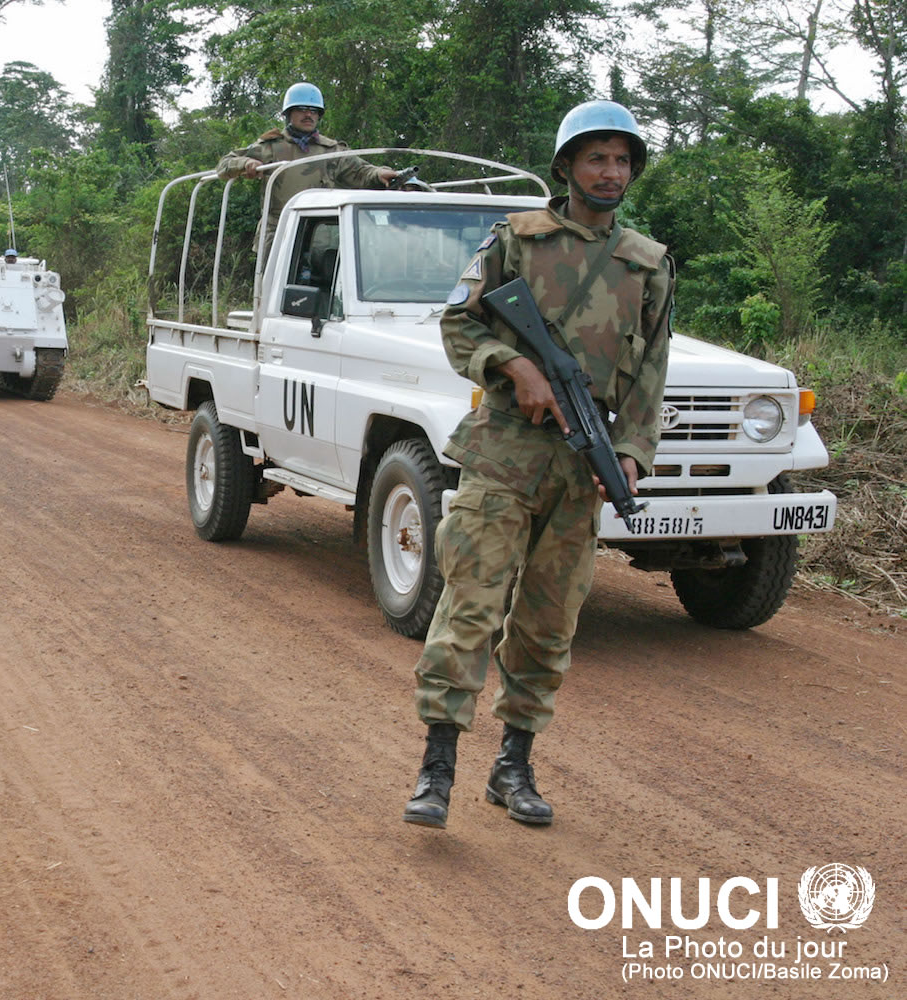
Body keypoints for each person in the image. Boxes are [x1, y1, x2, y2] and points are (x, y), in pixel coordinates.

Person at [401, 100, 675, 830]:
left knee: (549, 623)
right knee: (470, 608)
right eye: (597, 159)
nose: (610, 173)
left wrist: (629, 453)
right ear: (567, 166)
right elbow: (460, 321)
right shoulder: (516, 240)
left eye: (621, 160)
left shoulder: (646, 263)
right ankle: (437, 770)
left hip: (580, 467)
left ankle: (513, 766)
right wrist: (513, 366)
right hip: (504, 456)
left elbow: (651, 379)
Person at [216, 82, 397, 263]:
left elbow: (362, 172)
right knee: (272, 288)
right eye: (302, 109)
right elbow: (224, 164)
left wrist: (381, 173)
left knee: (322, 284)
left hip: (321, 235)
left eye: (314, 110)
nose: (308, 115)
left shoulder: (331, 150)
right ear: (289, 113)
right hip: (279, 232)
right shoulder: (271, 147)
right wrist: (245, 163)